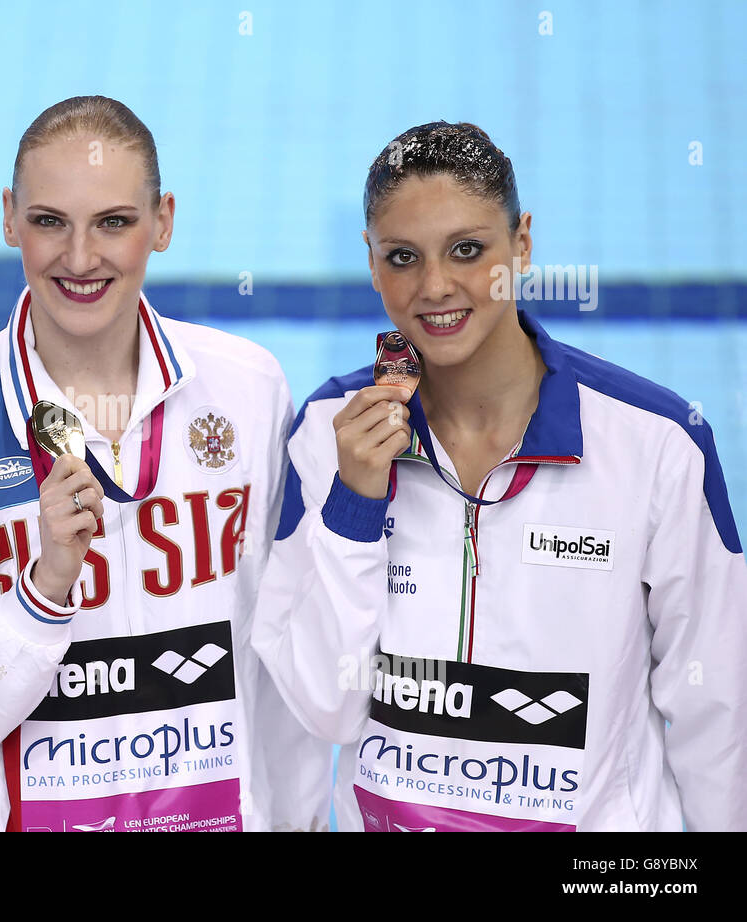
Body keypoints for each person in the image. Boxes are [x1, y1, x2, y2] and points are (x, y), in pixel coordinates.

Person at [253, 121, 747, 832]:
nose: (435, 287)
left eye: (467, 250)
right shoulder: (326, 433)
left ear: (521, 244)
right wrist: (355, 505)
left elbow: (718, 714)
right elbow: (325, 706)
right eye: (402, 256)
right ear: (370, 260)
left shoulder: (657, 445)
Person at [0, 96, 331, 832]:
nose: (81, 258)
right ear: (8, 218)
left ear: (163, 222)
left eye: (114, 222)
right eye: (49, 221)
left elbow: (277, 668)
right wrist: (45, 585)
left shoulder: (248, 388)